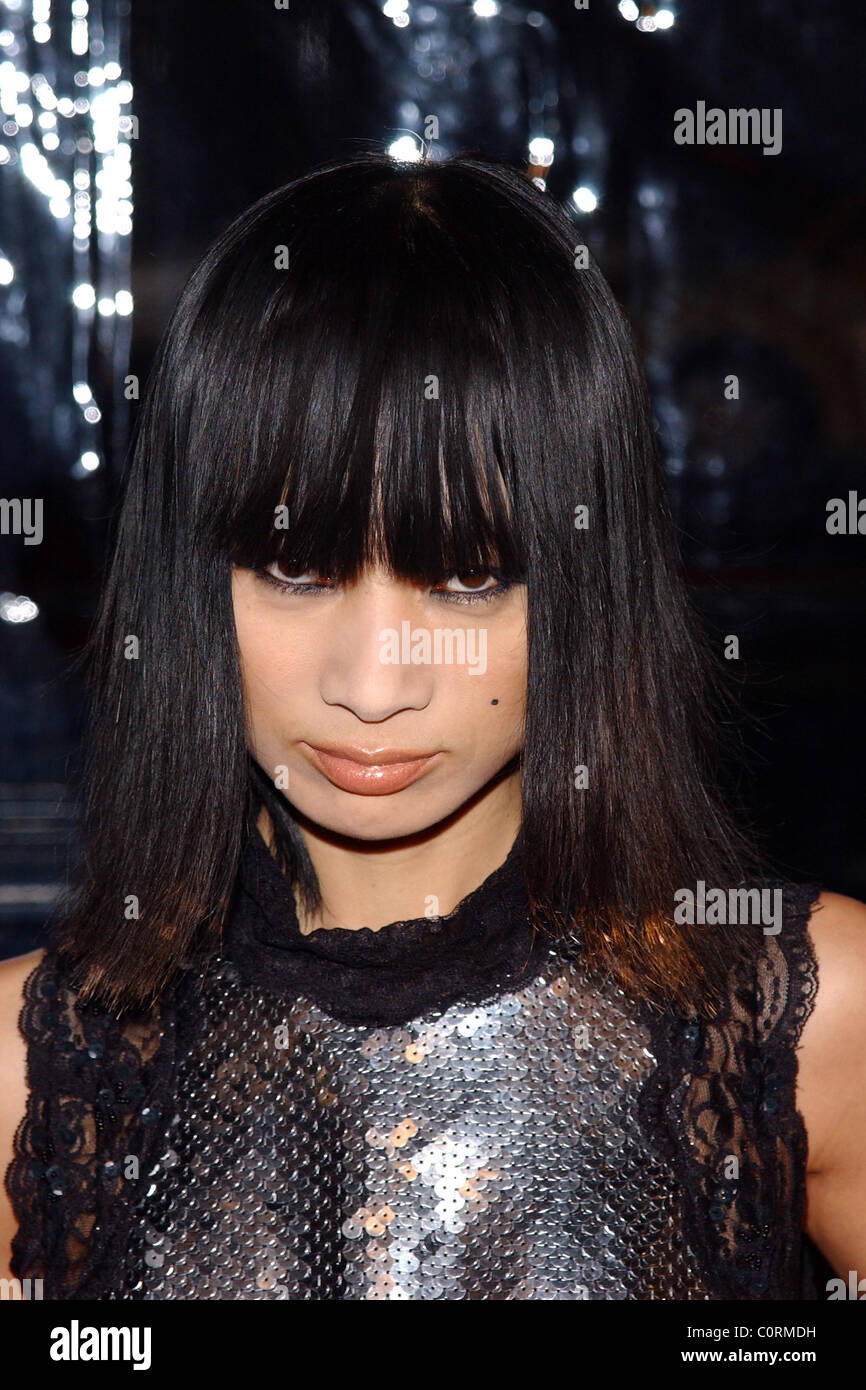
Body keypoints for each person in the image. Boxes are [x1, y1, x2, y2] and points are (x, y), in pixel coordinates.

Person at [1, 152, 864, 1300]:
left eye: (465, 580)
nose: (373, 682)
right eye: (295, 569)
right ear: (189, 582)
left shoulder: (811, 1024)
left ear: (583, 583)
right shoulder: (26, 1073)